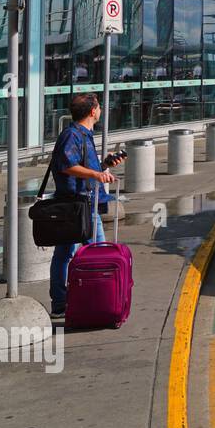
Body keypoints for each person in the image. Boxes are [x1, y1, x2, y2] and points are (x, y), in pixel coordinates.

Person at [47, 93, 123, 319]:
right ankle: (74, 301)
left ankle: (80, 299)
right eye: (99, 107)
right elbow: (66, 165)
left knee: (73, 251)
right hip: (75, 204)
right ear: (92, 111)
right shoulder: (73, 135)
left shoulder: (83, 135)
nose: (100, 110)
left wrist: (104, 165)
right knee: (89, 251)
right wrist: (96, 174)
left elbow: (82, 167)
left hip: (84, 202)